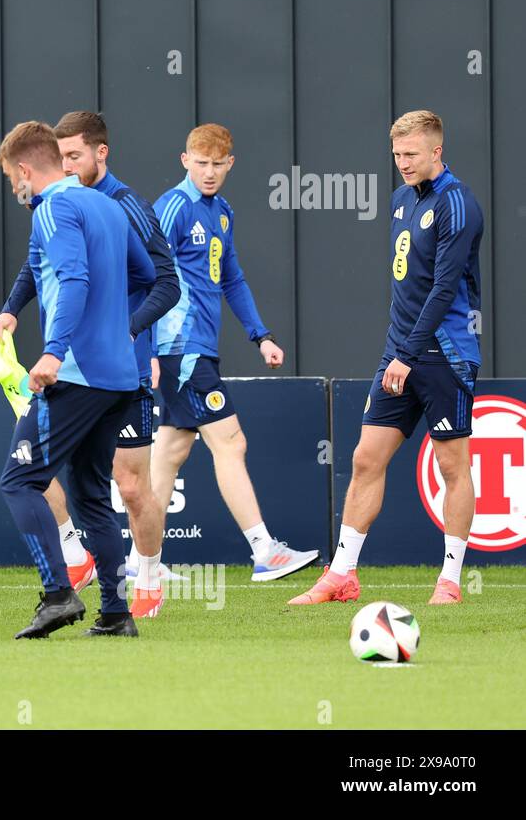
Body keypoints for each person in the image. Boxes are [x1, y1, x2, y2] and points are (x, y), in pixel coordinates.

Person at [0, 111, 180, 618]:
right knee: (93, 495)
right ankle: (116, 615)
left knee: (19, 480)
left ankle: (57, 595)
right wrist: (11, 311)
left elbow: (74, 280)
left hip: (76, 372)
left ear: (27, 171)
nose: (15, 189)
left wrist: (54, 351)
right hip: (118, 377)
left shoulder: (51, 210)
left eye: (13, 179)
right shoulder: (106, 208)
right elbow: (137, 272)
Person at [291, 110, 483, 606]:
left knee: (451, 465)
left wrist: (410, 354)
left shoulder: (458, 205)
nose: (402, 163)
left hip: (444, 354)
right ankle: (341, 576)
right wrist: (398, 351)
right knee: (364, 458)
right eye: (396, 154)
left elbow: (442, 289)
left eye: (412, 154)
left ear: (437, 151)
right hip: (400, 352)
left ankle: (450, 581)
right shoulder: (400, 199)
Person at [150, 123, 318, 582]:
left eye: (216, 164)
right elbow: (146, 274)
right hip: (180, 349)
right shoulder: (173, 207)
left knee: (169, 452)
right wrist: (147, 346)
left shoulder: (221, 211)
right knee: (231, 441)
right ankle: (264, 550)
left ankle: (141, 563)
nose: (208, 172)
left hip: (195, 348)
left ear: (230, 164)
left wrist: (261, 336)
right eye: (200, 163)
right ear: (184, 160)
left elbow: (233, 279)